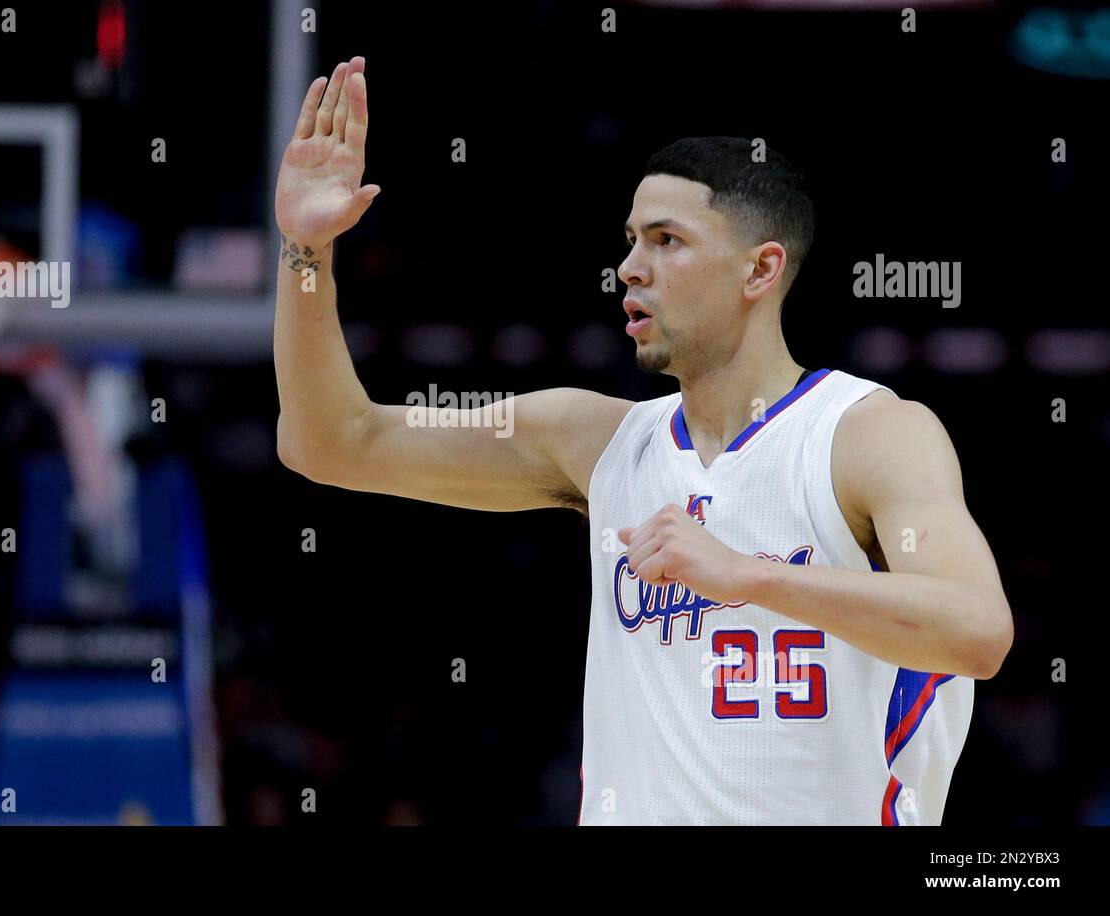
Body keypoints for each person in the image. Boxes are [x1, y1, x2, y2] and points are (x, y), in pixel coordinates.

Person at [272, 57, 1013, 825]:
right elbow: (332, 442)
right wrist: (304, 251)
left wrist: (751, 577)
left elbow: (978, 631)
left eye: (666, 241)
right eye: (630, 240)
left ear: (760, 270)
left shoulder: (868, 433)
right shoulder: (595, 440)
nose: (629, 268)